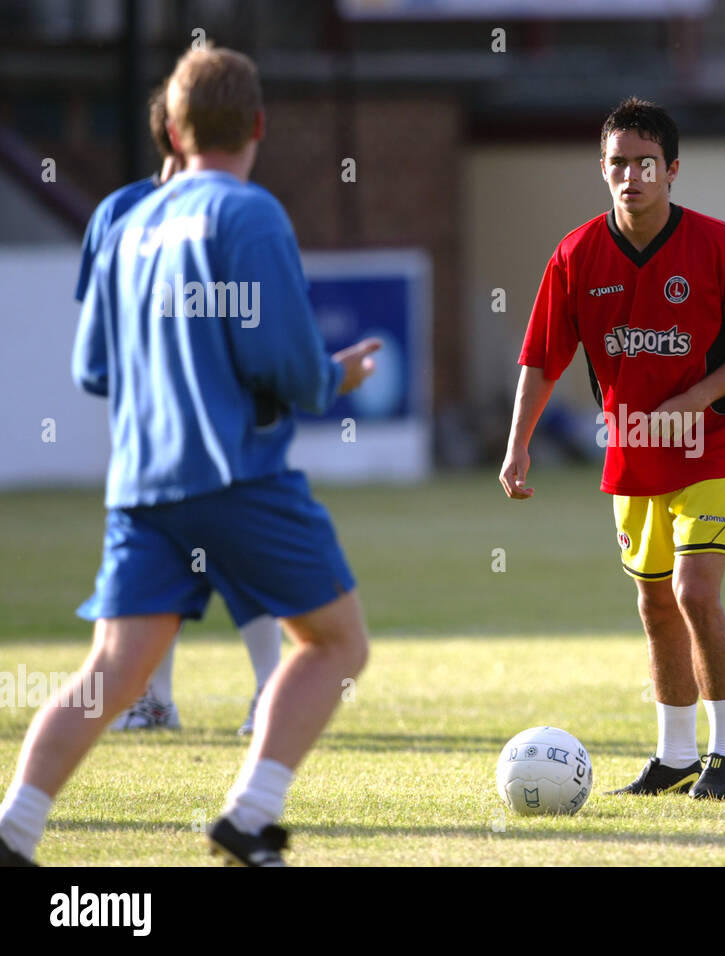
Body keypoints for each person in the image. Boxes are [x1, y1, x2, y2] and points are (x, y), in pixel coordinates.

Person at [0, 46, 379, 866]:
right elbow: (281, 364)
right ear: (259, 124)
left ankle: (16, 830)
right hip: (236, 474)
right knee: (337, 644)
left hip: (141, 484)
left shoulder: (127, 219)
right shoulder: (249, 215)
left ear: (172, 129)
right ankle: (249, 816)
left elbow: (90, 368)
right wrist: (333, 376)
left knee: (112, 672)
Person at [500, 97, 725, 799]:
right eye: (619, 163)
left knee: (694, 592)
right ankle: (675, 755)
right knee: (655, 603)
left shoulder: (720, 246)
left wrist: (694, 398)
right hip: (633, 457)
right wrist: (517, 448)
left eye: (646, 163)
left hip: (715, 446)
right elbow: (541, 359)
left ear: (673, 170)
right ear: (603, 170)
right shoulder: (575, 254)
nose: (632, 176)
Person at [75, 83, 282, 736]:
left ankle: (266, 696)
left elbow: (93, 362)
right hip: (161, 438)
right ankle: (153, 698)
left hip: (213, 435)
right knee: (153, 578)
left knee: (241, 568)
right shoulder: (126, 212)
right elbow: (102, 336)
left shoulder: (234, 213)